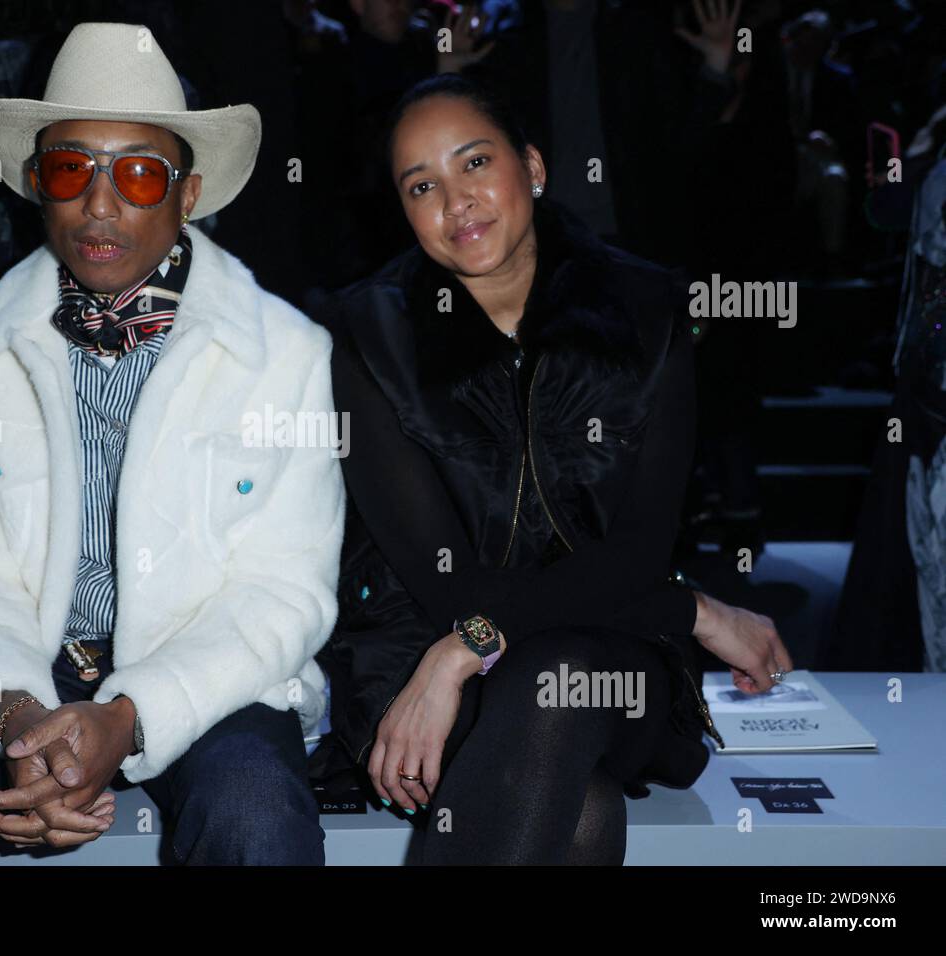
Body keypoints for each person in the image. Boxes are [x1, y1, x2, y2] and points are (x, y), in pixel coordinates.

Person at [0, 22, 344, 866]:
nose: (99, 205)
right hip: (18, 667)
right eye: (72, 169)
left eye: (140, 174)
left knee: (256, 817)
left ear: (190, 194)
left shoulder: (285, 351)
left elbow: (284, 594)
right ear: (36, 183)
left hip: (208, 677)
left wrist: (127, 717)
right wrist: (17, 717)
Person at [316, 73, 793, 865]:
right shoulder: (367, 337)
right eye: (423, 185)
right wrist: (691, 611)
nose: (456, 201)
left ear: (532, 167)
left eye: (475, 164)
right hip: (422, 669)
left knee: (556, 678)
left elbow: (636, 550)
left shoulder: (648, 312)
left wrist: (465, 647)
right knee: (580, 815)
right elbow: (448, 585)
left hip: (604, 663)